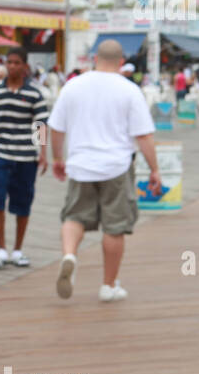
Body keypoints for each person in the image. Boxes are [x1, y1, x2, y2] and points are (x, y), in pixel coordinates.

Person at [47, 39, 160, 302]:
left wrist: (56, 158)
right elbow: (143, 135)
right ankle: (108, 286)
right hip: (116, 166)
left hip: (80, 164)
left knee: (74, 216)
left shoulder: (72, 86)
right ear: (121, 62)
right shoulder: (130, 90)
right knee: (114, 226)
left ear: (94, 58)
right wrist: (154, 169)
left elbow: (56, 128)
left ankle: (69, 256)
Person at [0, 47, 48, 269]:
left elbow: (40, 124)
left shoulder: (35, 93)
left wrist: (42, 153)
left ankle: (17, 249)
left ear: (25, 66)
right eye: (9, 62)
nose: (12, 66)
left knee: (22, 203)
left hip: (25, 157)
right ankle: (1, 248)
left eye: (17, 63)